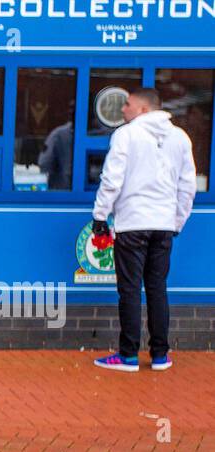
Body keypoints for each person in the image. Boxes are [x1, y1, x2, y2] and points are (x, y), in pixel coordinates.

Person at [92, 87, 197, 372]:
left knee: (129, 289)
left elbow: (112, 179)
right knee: (157, 288)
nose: (122, 109)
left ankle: (127, 356)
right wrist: (177, 221)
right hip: (163, 225)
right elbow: (187, 185)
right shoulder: (180, 137)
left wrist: (100, 217)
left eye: (127, 104)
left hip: (133, 224)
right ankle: (160, 355)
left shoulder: (126, 135)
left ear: (142, 109)